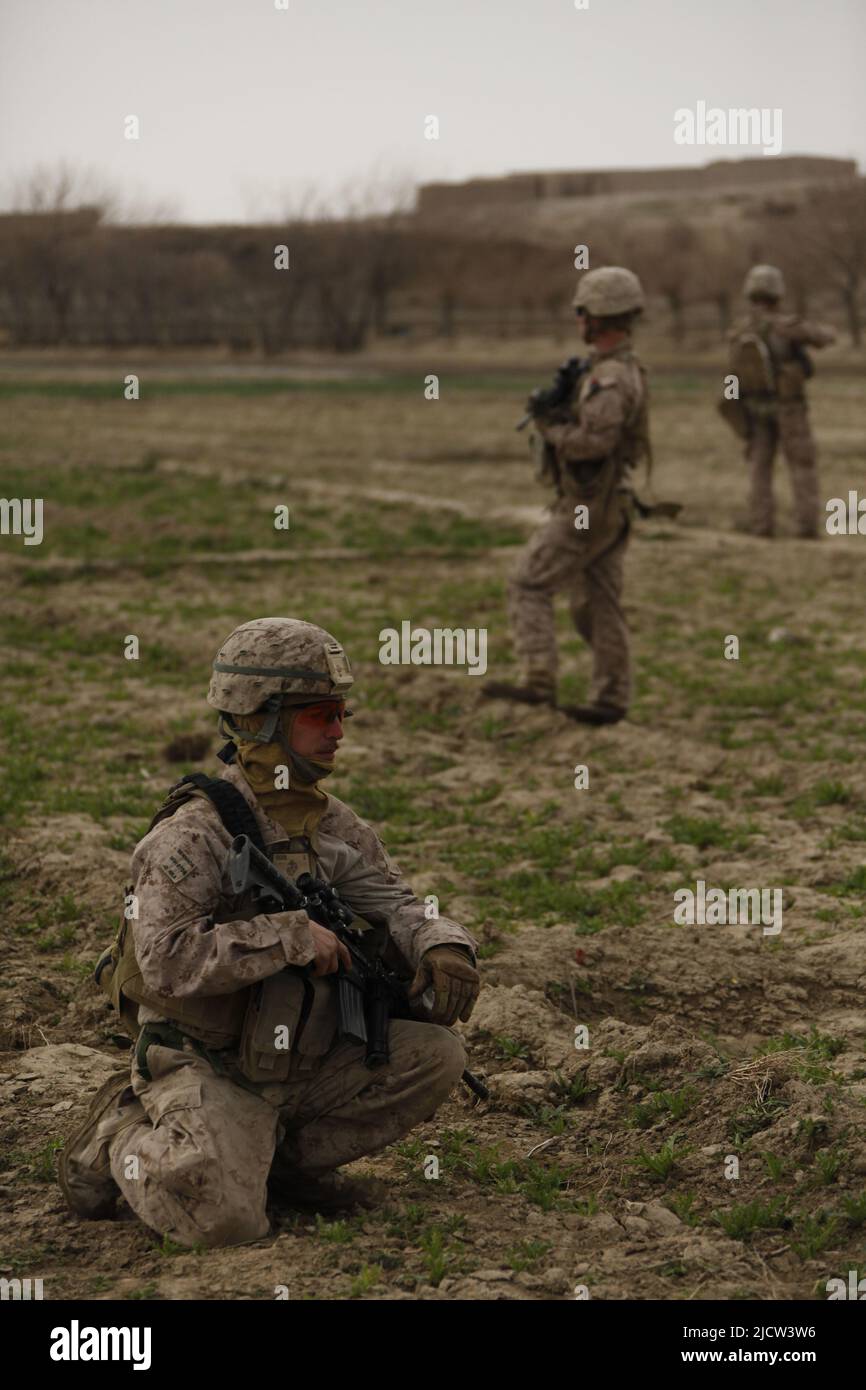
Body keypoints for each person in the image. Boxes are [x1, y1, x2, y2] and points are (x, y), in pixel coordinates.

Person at [60, 617, 480, 1248]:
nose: (338, 731)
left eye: (341, 713)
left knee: (434, 1055)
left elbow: (396, 901)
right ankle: (119, 1132)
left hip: (298, 1057)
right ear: (259, 719)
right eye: (319, 714)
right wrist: (291, 938)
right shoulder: (191, 836)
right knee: (224, 1224)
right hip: (209, 1061)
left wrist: (442, 943)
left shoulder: (329, 822)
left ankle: (276, 1167)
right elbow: (165, 963)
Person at [483, 266, 650, 725]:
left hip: (587, 507)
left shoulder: (609, 378)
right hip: (607, 505)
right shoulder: (618, 370)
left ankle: (538, 681)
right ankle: (610, 699)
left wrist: (549, 425)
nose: (579, 322)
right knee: (598, 602)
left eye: (583, 313)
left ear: (598, 316)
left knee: (528, 581)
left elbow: (593, 443)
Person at [726, 264, 835, 538]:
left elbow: (732, 379)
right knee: (801, 465)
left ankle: (761, 526)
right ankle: (806, 528)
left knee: (759, 468)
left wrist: (737, 407)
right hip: (789, 408)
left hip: (754, 409)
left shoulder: (739, 331)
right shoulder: (786, 327)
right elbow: (823, 338)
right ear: (778, 293)